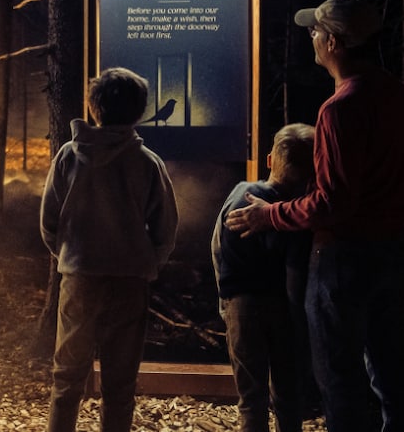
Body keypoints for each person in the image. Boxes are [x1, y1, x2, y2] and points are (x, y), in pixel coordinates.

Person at [225, 0, 404, 432]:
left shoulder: (339, 108)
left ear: (333, 42)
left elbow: (334, 203)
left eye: (315, 31)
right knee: (391, 371)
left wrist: (269, 215)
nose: (312, 38)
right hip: (393, 250)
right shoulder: (400, 97)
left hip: (345, 258)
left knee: (340, 380)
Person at [39, 67, 179, 432]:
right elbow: (166, 227)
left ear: (93, 107)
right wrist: (149, 262)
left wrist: (69, 256)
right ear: (140, 110)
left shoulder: (69, 157)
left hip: (80, 277)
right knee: (120, 383)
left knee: (66, 378)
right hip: (130, 281)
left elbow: (48, 222)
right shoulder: (147, 162)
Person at [212, 123, 315, 432]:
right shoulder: (295, 216)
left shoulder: (242, 193)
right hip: (282, 306)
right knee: (288, 392)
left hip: (241, 305)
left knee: (251, 396)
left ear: (270, 160)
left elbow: (218, 247)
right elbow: (296, 269)